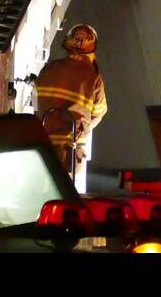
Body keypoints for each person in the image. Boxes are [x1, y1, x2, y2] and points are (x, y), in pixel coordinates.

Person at [35, 24, 107, 192]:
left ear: (68, 44)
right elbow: (99, 112)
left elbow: (36, 100)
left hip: (43, 143)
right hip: (70, 151)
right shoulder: (93, 77)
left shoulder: (49, 68)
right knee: (64, 196)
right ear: (91, 49)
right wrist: (83, 128)